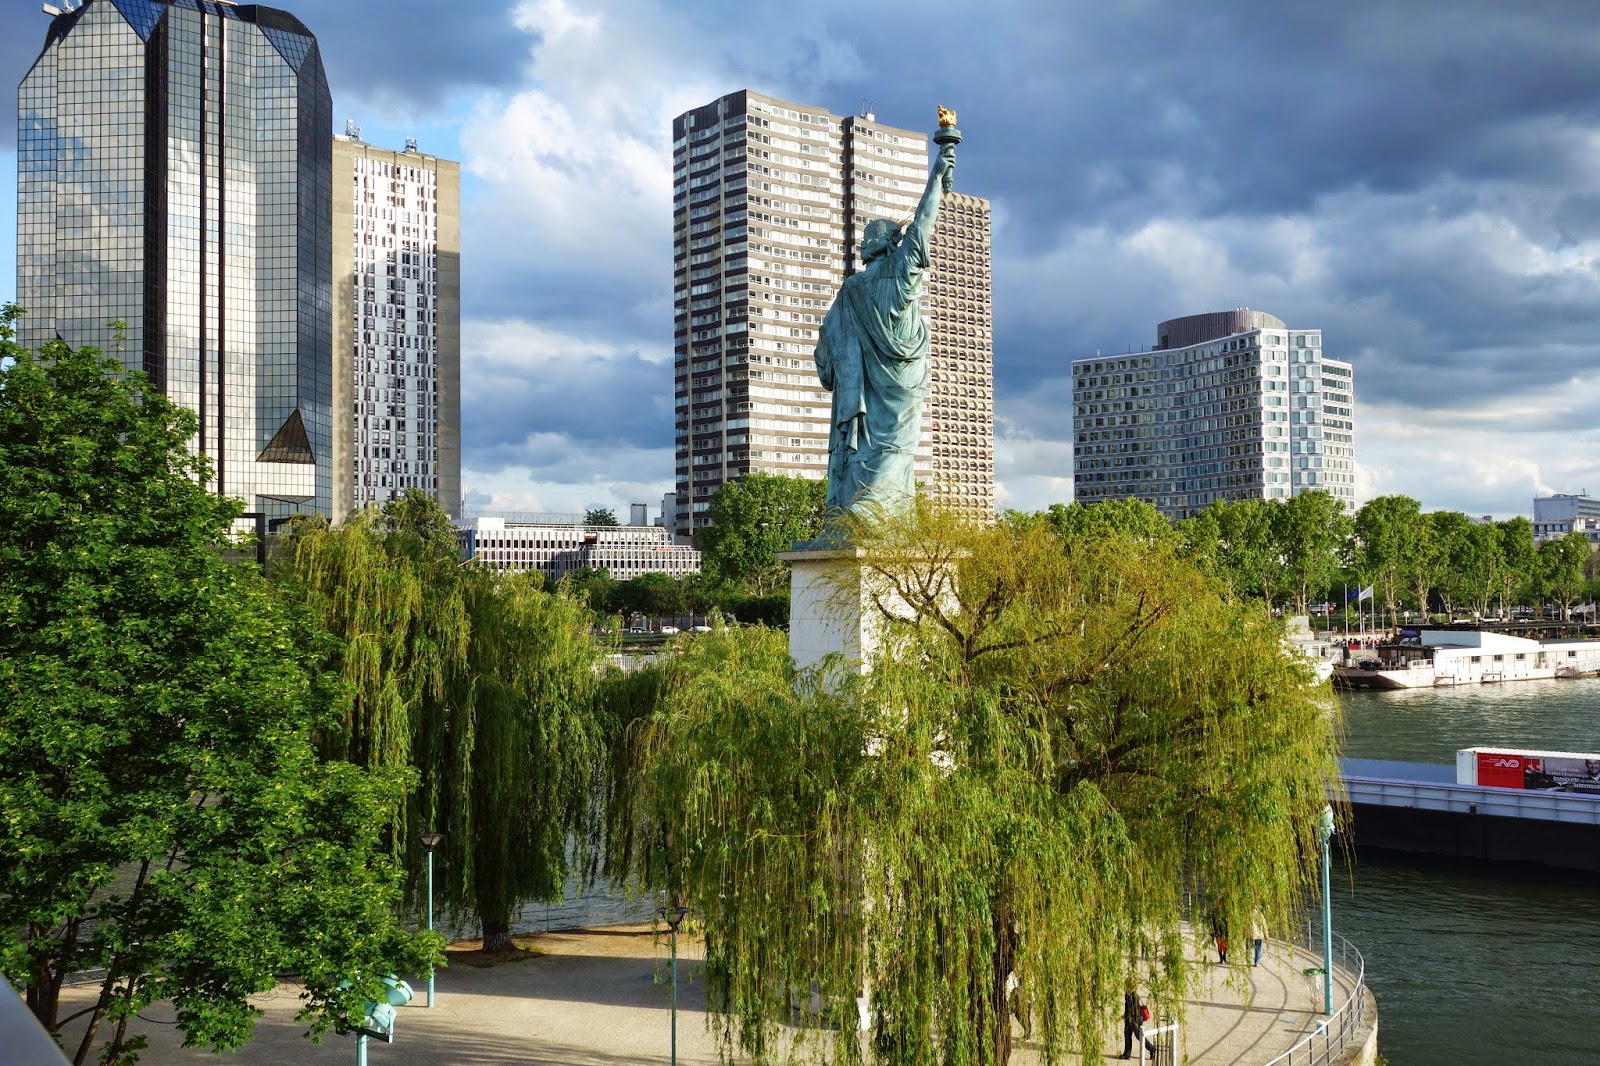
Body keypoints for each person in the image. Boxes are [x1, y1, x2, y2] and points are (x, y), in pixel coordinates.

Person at [814, 124, 956, 519]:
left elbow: (824, 356)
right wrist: (938, 172)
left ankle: (867, 509)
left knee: (873, 445)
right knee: (895, 445)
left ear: (872, 247)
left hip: (872, 385)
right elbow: (924, 222)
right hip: (905, 380)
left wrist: (939, 173)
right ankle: (873, 512)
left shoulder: (851, 291)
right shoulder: (902, 270)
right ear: (893, 244)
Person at [1122, 991, 1158, 1060]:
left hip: (1134, 1019)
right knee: (1128, 1034)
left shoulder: (1130, 994)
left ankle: (1152, 1049)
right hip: (1135, 1018)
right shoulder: (1134, 993)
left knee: (1138, 1035)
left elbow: (1131, 1008)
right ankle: (1127, 1054)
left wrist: (1128, 1017)